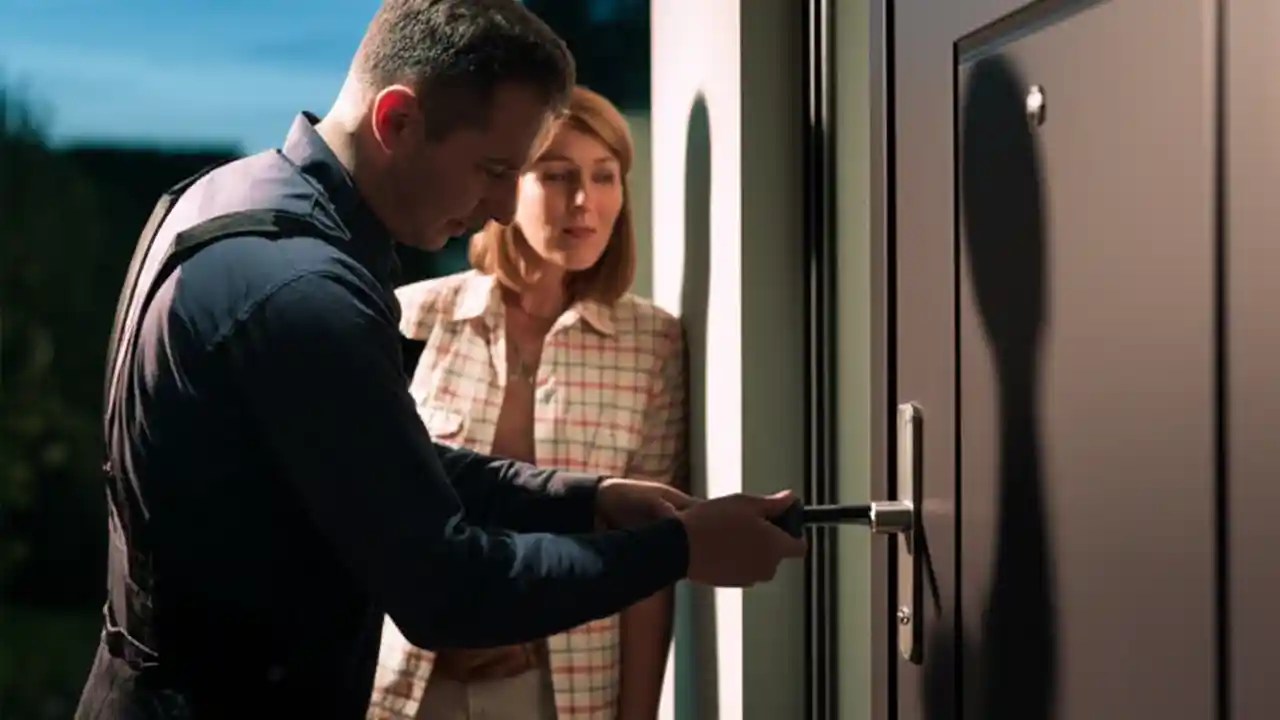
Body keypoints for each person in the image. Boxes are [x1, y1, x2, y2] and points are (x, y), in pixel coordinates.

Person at [76, 1, 807, 718]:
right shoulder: (305, 296)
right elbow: (449, 592)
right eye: (493, 169)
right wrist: (678, 551)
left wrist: (586, 499)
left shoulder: (212, 198)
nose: (498, 208)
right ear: (396, 120)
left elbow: (378, 461)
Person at [370, 86, 683, 720]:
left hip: (559, 693)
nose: (583, 203)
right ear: (511, 186)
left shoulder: (653, 344)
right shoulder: (416, 316)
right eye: (558, 175)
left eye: (604, 178)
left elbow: (652, 557)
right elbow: (367, 514)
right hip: (408, 686)